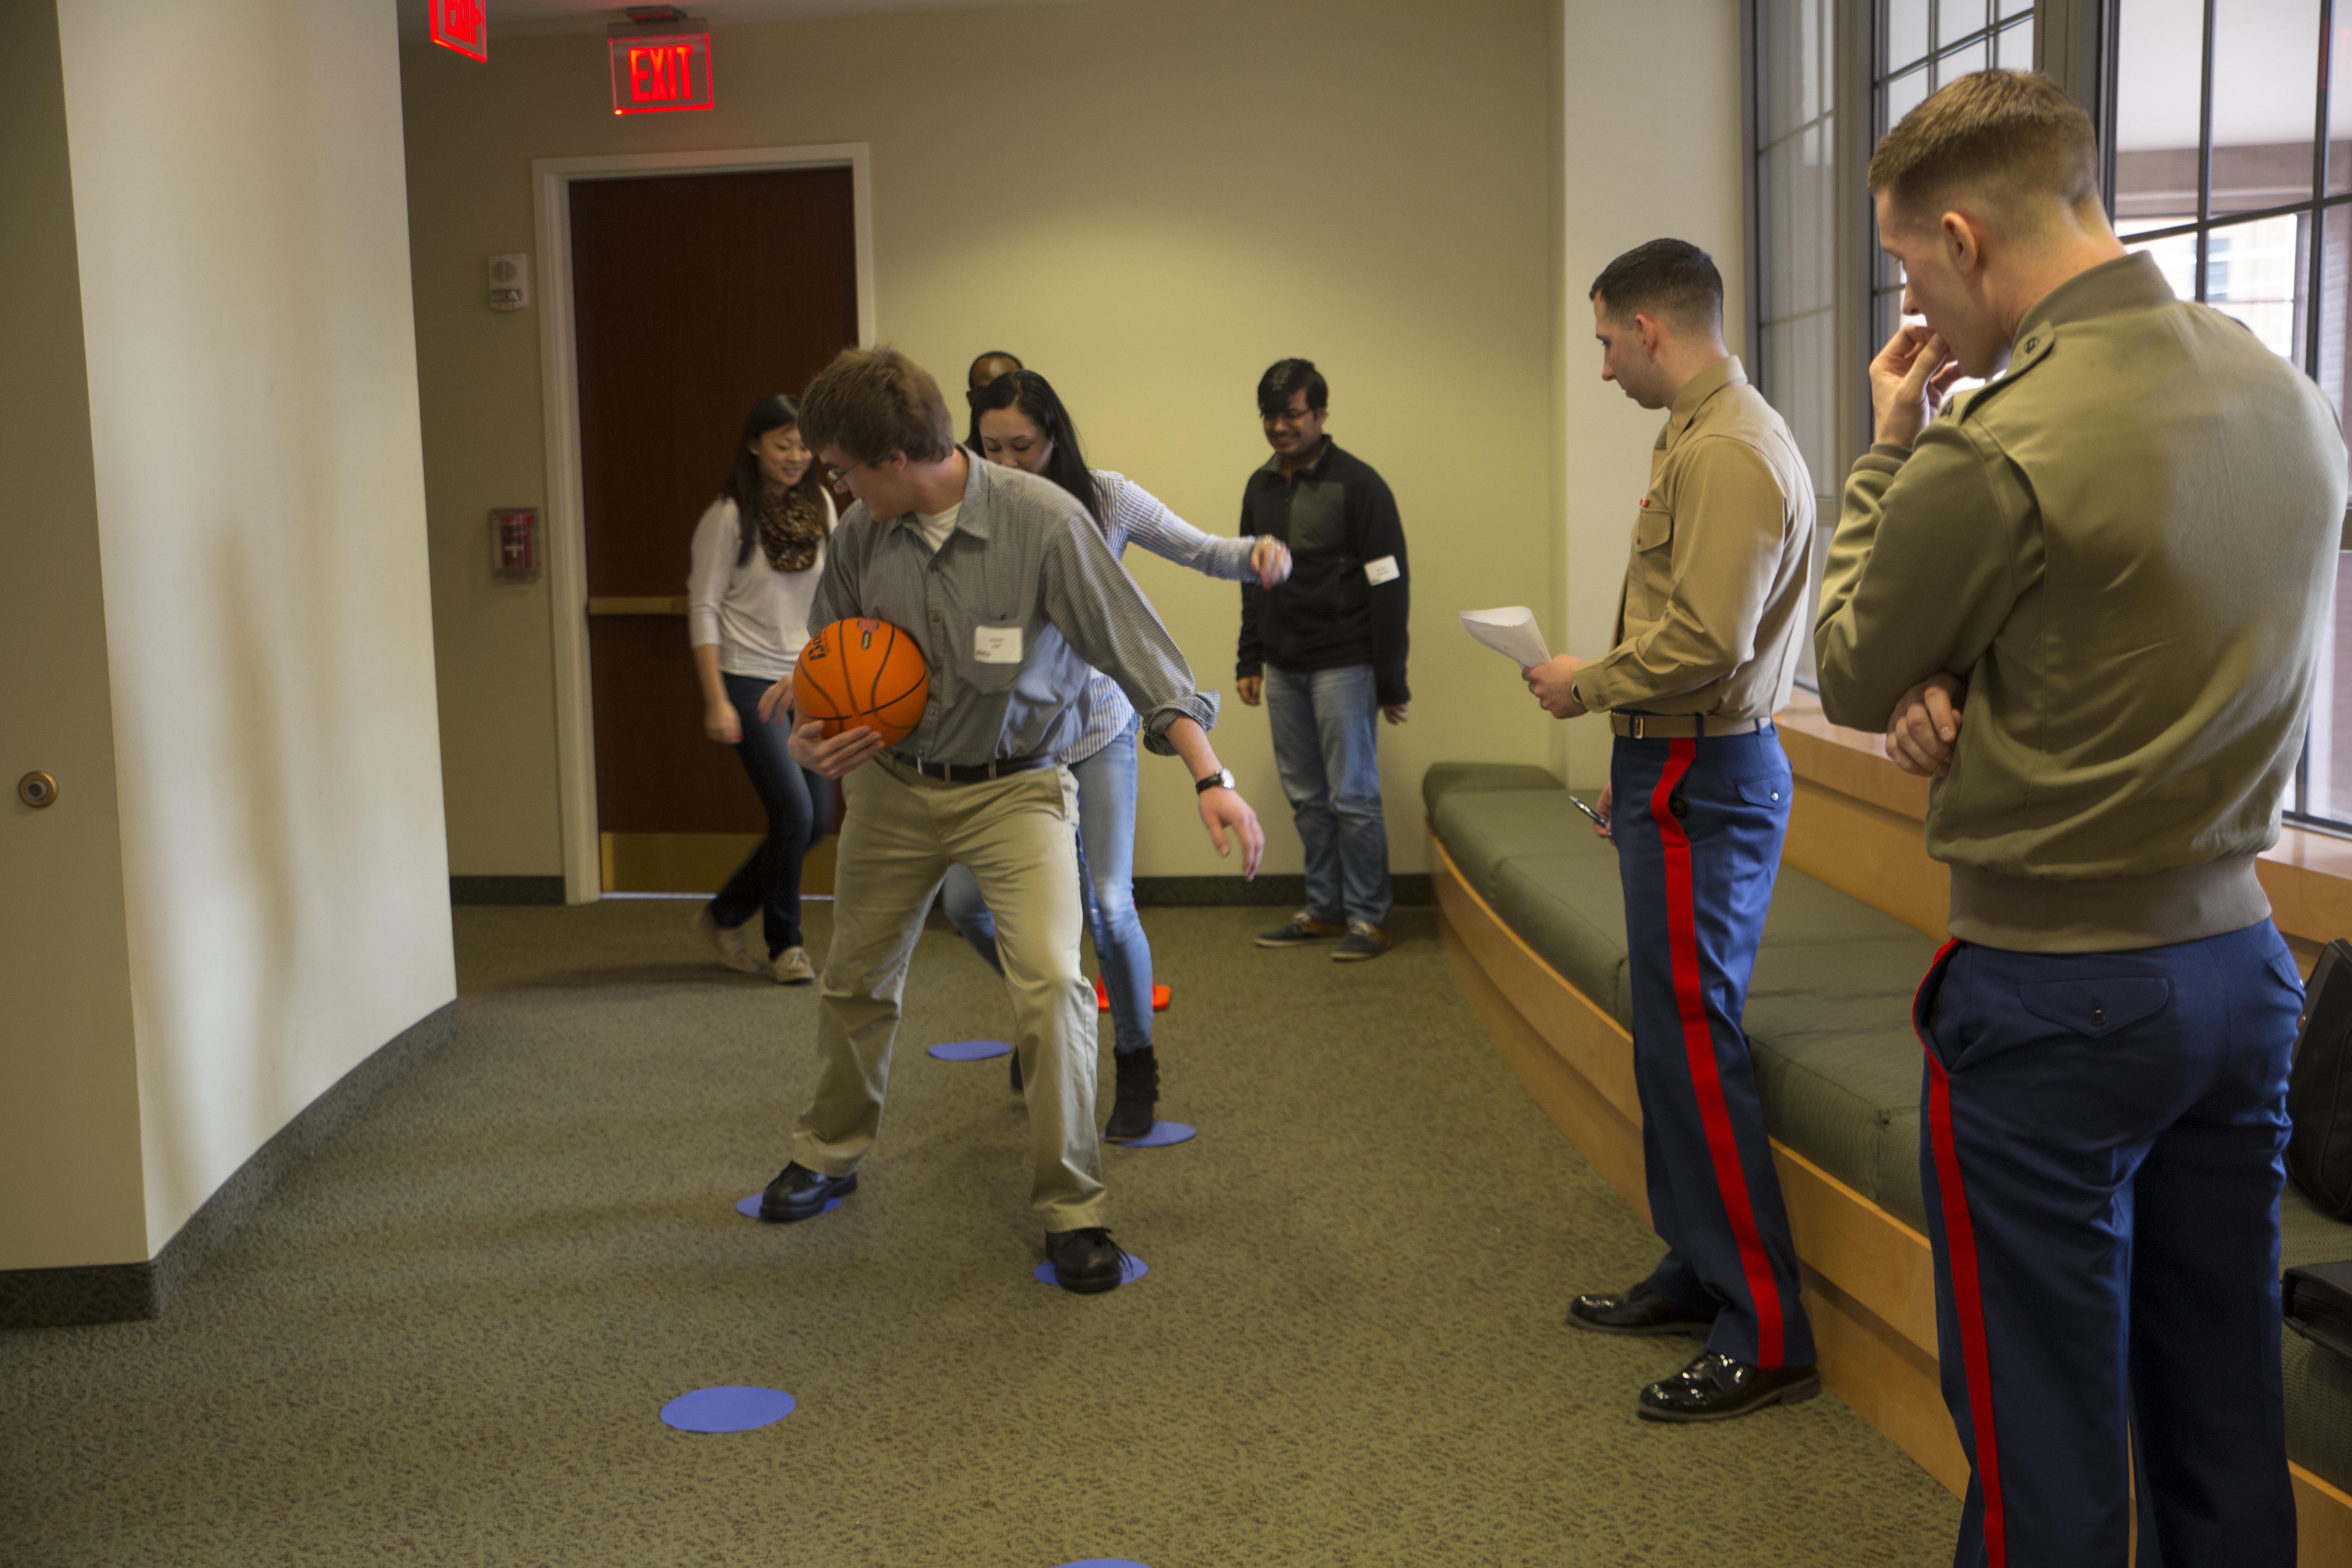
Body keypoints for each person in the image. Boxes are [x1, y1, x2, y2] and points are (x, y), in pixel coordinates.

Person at [1813, 71, 2348, 1567]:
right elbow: (2149, 610)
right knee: (2218, 1406)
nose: (1912, 301)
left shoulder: (1991, 444)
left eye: (1909, 265)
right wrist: (1974, 670)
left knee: (2044, 1433)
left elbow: (1850, 662)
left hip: (2054, 992)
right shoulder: (2280, 391)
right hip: (2245, 975)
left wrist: (1884, 444)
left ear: (1966, 239)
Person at [752, 347, 1266, 1295]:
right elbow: (824, 667)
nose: (837, 486)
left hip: (1018, 786)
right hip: (895, 790)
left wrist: (1210, 775)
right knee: (856, 978)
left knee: (1053, 990)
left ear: (896, 458)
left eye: (843, 468)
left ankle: (1073, 1209)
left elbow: (1140, 654)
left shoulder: (1045, 523)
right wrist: (812, 742)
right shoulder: (864, 533)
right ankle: (826, 1151)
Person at [1521, 240, 1820, 1422]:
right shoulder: (1696, 433)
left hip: (1705, 763)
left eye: (1604, 341)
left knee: (1698, 1042)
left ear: (1651, 326)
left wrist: (1585, 685)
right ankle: (1701, 1267)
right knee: (1667, 1038)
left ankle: (1769, 1326)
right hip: (1671, 762)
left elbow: (1708, 646)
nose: (1601, 367)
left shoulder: (1735, 448)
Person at [935, 369, 1291, 1138]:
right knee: (964, 904)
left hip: (1098, 731)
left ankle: (1136, 1062)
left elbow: (1200, 551)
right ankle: (1052, 1009)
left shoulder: (1104, 498)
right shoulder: (975, 508)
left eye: (1023, 446)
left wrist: (1257, 553)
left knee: (1109, 904)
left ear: (1053, 436)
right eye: (991, 447)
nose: (1007, 461)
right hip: (1013, 745)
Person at [1235, 359, 1409, 962]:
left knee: (1353, 797)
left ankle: (1368, 918)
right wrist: (1249, 658)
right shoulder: (1260, 487)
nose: (1279, 426)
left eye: (1292, 414)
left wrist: (1392, 679)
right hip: (1282, 668)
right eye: (1270, 415)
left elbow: (1390, 584)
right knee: (1307, 797)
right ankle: (1325, 910)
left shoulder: (1359, 486)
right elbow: (1249, 578)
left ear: (1321, 414)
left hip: (1345, 664)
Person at [688, 393, 838, 985]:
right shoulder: (728, 516)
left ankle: (726, 913)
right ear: (755, 446)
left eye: (804, 445)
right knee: (794, 813)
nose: (796, 456)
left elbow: (841, 589)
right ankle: (788, 946)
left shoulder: (824, 505)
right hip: (748, 680)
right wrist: (716, 699)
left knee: (818, 820)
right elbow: (703, 607)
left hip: (810, 682)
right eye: (784, 445)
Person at [965, 348, 1022, 444]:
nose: (996, 399)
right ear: (971, 399)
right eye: (985, 392)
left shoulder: (1043, 454)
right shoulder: (959, 459)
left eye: (1006, 390)